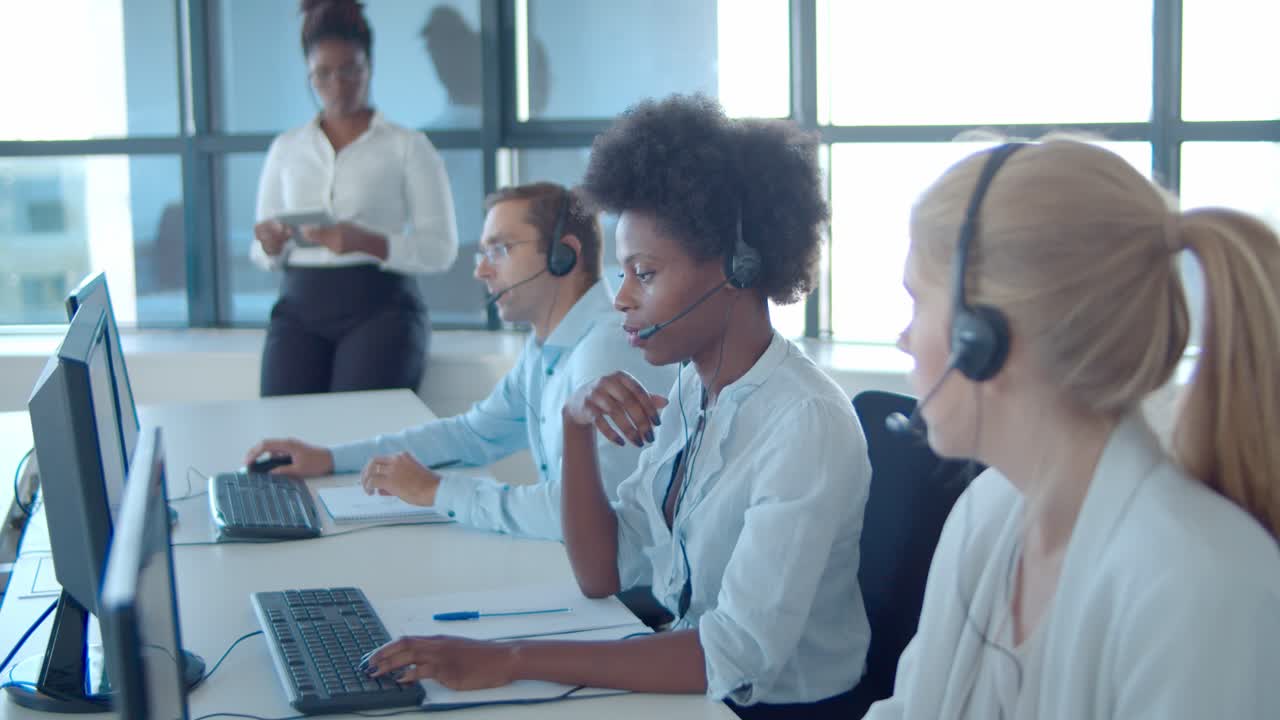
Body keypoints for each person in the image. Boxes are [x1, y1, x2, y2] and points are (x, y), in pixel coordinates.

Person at [362, 95, 873, 720]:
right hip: (687, 671)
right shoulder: (694, 390)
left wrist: (515, 658)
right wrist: (575, 427)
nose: (623, 298)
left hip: (771, 708)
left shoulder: (803, 426)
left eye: (646, 273)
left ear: (740, 269)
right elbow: (604, 572)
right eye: (626, 271)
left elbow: (730, 657)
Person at [866, 139, 1280, 719]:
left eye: (916, 302)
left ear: (984, 338)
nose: (904, 338)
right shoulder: (985, 516)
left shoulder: (1202, 586)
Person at [245, 182, 674, 541]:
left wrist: (437, 491)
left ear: (564, 255)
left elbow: (588, 514)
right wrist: (329, 458)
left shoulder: (603, 351)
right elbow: (469, 435)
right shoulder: (546, 348)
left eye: (500, 250)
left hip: (625, 599)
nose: (482, 271)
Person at [252, 0, 459, 397]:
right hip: (298, 306)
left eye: (350, 70)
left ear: (370, 67)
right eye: (323, 74)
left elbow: (441, 249)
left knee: (359, 432)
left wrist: (365, 241)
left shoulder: (409, 147)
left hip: (381, 307)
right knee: (281, 435)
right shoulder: (286, 148)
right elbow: (262, 251)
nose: (338, 85)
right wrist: (270, 244)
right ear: (309, 76)